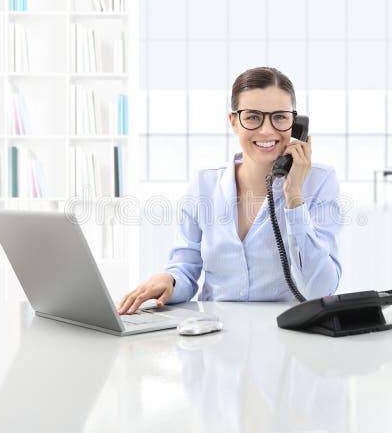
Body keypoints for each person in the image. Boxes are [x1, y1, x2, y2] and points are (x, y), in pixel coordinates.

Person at [118, 67, 342, 315]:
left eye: (280, 117)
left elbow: (320, 290)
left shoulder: (320, 181)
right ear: (233, 121)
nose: (267, 130)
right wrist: (169, 279)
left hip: (286, 338)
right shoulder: (204, 184)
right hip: (213, 338)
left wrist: (294, 196)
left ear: (296, 124)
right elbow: (185, 267)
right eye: (253, 117)